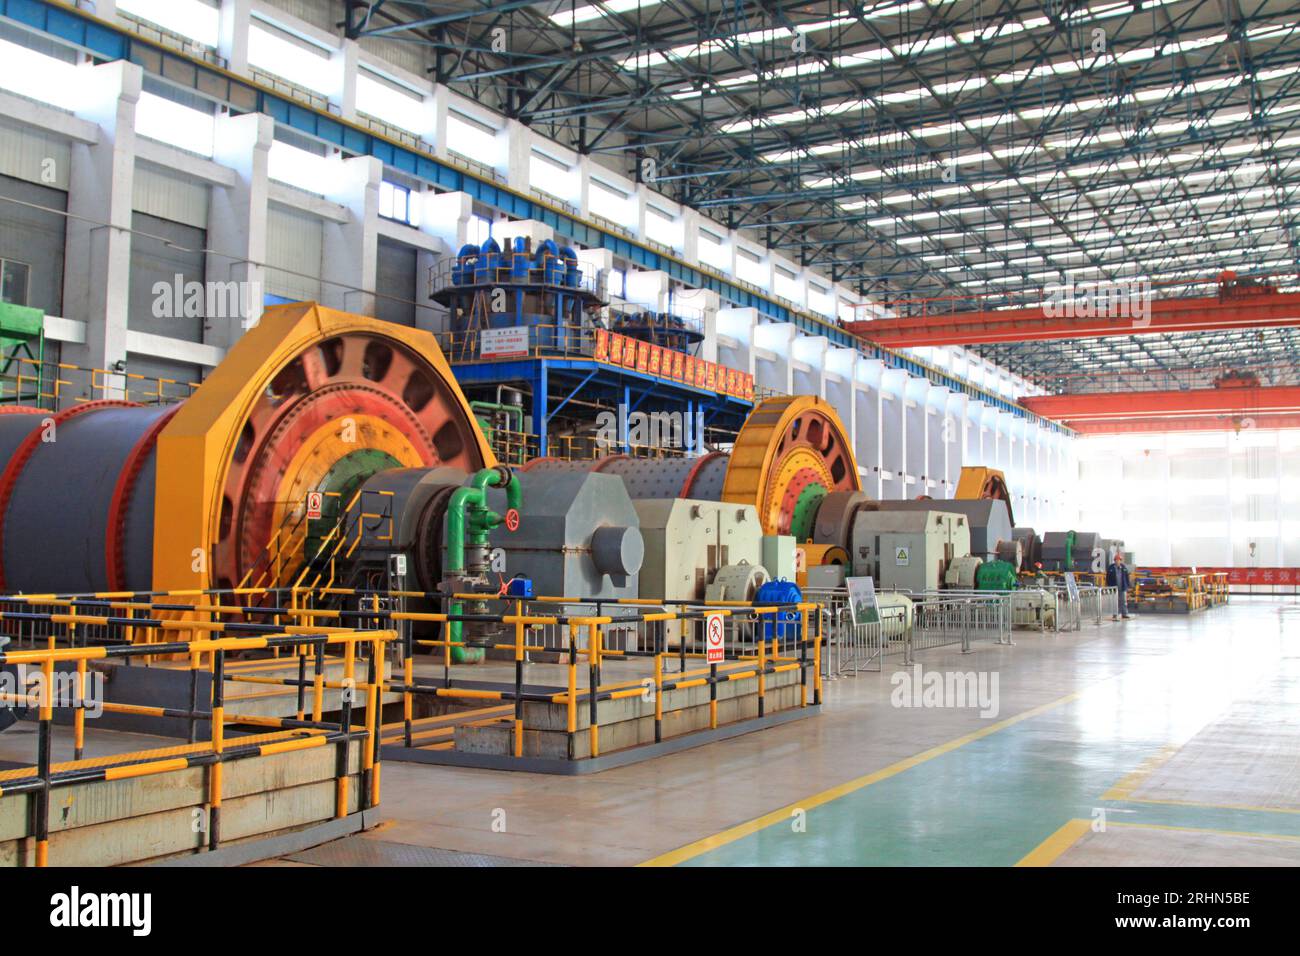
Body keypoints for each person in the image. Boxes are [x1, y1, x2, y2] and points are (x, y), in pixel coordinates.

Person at [1107, 554, 1132, 619]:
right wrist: (1109, 587)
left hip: (1122, 587)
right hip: (1114, 588)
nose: (1117, 561)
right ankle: (1115, 614)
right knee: (1114, 601)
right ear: (1114, 561)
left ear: (1121, 561)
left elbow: (1127, 577)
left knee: (1123, 601)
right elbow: (1108, 578)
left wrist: (1128, 586)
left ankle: (1124, 614)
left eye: (1119, 560)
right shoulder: (1111, 568)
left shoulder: (1124, 568)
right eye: (1116, 560)